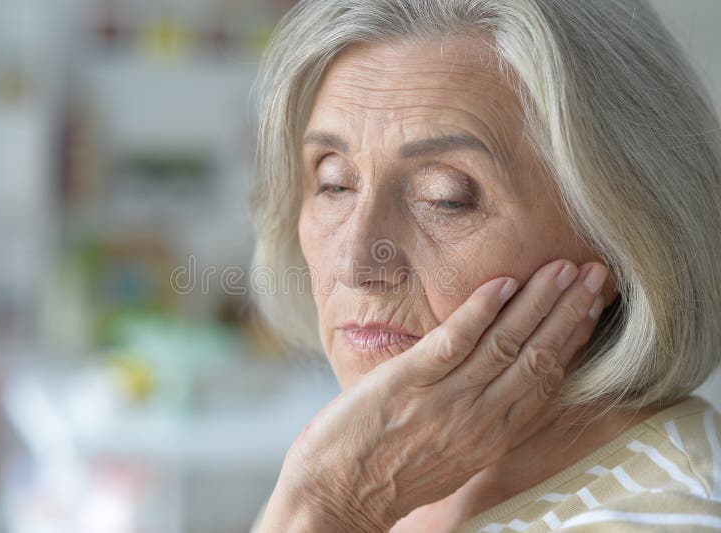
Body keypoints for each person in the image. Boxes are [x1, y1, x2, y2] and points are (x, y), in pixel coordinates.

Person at [248, 0, 721, 530]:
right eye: (334, 184)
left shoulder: (662, 517)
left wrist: (331, 506)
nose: (354, 263)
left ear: (619, 235)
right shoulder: (366, 468)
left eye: (445, 197)